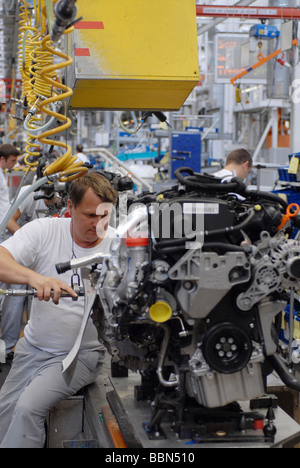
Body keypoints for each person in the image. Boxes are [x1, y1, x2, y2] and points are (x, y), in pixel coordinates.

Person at [0, 172, 118, 448]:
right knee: (5, 412)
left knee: (29, 408)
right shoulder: (44, 231)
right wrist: (35, 278)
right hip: (33, 348)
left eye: (105, 216)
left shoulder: (118, 245)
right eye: (90, 215)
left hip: (79, 355)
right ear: (70, 208)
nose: (98, 224)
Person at [0, 185, 61, 362]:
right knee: (15, 297)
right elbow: (10, 221)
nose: (52, 202)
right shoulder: (30, 191)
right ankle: (8, 347)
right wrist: (31, 240)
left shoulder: (67, 195)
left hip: (50, 250)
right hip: (27, 248)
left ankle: (47, 344)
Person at [0, 144, 20, 227]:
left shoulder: (2, 173)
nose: (15, 164)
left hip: (4, 222)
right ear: (2, 159)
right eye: (13, 160)